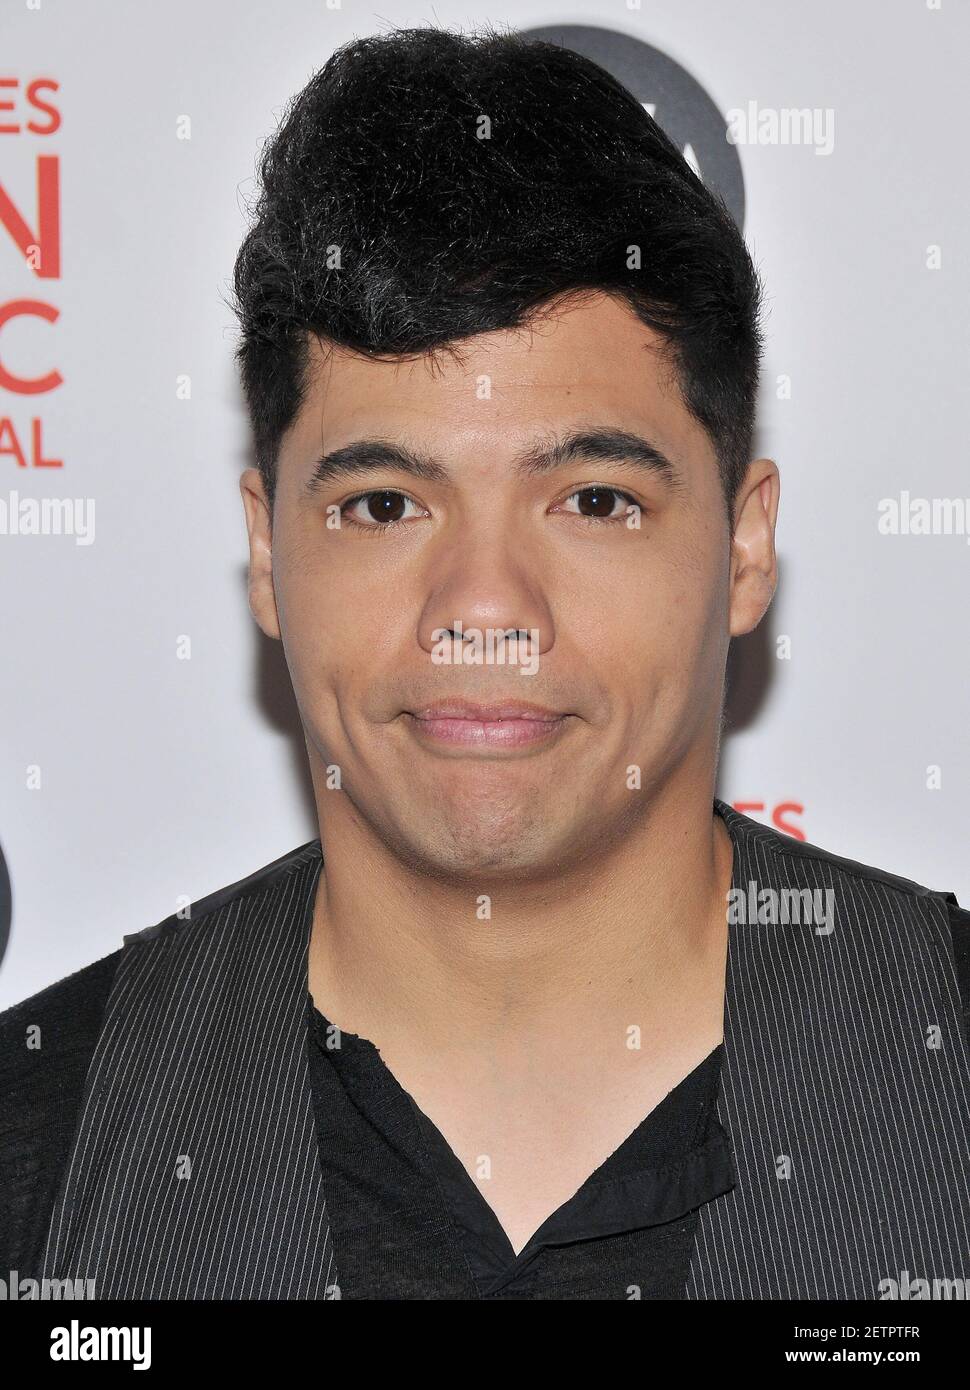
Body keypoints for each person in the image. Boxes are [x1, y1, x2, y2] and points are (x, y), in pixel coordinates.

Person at [2, 25, 969, 1303]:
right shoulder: (38, 1144)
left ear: (743, 548)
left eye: (594, 500)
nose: (483, 609)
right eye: (386, 505)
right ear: (265, 552)